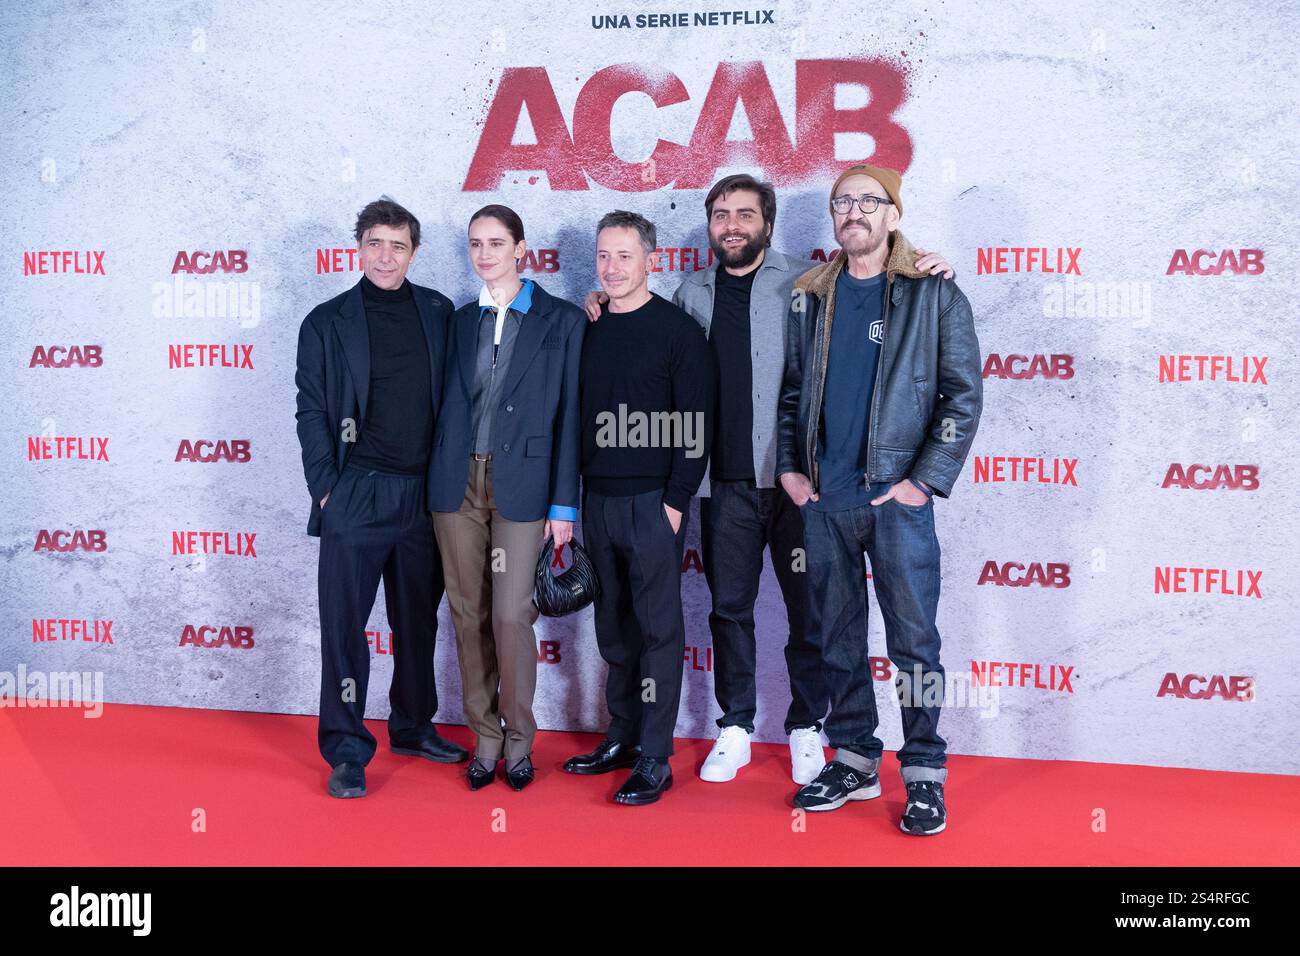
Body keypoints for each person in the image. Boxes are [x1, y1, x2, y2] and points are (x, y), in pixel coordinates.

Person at [585, 175, 952, 787]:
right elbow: (646, 342)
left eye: (745, 214)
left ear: (768, 223)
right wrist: (599, 305)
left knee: (811, 609)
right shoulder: (688, 294)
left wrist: (926, 261)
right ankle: (736, 724)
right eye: (721, 214)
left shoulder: (811, 283)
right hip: (722, 483)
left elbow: (881, 277)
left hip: (800, 482)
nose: (732, 224)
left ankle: (808, 723)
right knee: (729, 610)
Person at [777, 164, 982, 835]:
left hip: (897, 501)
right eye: (843, 202)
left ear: (893, 214)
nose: (853, 212)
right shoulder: (810, 296)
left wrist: (922, 480)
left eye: (868, 201)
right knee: (836, 641)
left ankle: (924, 770)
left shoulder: (933, 295)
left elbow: (962, 396)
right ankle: (858, 756)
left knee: (915, 645)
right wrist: (791, 471)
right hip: (825, 500)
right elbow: (789, 397)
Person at [294, 197, 468, 800]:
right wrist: (326, 490)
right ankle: (346, 749)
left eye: (397, 245)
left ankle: (414, 725)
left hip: (425, 496)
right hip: (356, 492)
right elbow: (312, 409)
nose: (385, 255)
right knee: (345, 627)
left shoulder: (439, 312)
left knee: (417, 622)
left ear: (413, 252)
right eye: (374, 242)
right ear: (358, 246)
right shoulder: (325, 321)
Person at [430, 204, 585, 792]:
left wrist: (564, 505)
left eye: (497, 242)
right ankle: (484, 736)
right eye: (475, 243)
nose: (485, 253)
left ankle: (520, 740)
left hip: (525, 487)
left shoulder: (563, 320)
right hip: (454, 483)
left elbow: (570, 416)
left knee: (509, 614)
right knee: (467, 614)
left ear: (522, 248)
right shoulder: (459, 320)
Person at [562, 210, 714, 805]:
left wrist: (675, 503)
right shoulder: (588, 327)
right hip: (597, 501)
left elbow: (696, 425)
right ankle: (621, 737)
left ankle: (655, 755)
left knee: (657, 631)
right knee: (613, 631)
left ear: (651, 258)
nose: (612, 267)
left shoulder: (678, 332)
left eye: (625, 255)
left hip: (655, 504)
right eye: (604, 255)